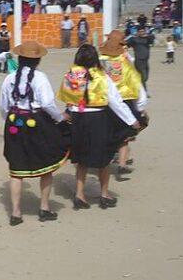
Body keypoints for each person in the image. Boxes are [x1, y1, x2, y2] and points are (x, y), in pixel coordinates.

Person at [57, 45, 141, 210]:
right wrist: (132, 120)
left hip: (79, 119)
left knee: (81, 159)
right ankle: (104, 194)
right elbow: (115, 102)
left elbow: (69, 101)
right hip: (99, 119)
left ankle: (80, 195)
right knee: (104, 159)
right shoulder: (103, 77)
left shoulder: (72, 75)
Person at [0, 41, 69, 226]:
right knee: (47, 165)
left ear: (20, 59)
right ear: (38, 60)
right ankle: (44, 207)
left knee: (16, 171)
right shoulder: (40, 78)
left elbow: (4, 107)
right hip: (36, 123)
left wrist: (10, 120)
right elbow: (47, 104)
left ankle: (15, 212)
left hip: (15, 122)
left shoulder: (9, 78)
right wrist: (60, 118)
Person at [98, 31, 148, 176]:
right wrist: (140, 107)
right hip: (124, 101)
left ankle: (111, 158)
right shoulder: (125, 62)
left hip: (103, 101)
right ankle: (121, 164)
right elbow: (136, 84)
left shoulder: (100, 60)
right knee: (125, 135)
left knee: (108, 131)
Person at [126, 26, 154, 91]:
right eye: (140, 31)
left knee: (146, 77)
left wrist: (147, 35)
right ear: (137, 32)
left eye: (143, 31)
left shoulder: (147, 39)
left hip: (146, 61)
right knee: (143, 77)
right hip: (139, 61)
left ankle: (137, 88)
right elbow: (126, 43)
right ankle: (144, 92)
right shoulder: (134, 39)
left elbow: (152, 38)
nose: (142, 33)